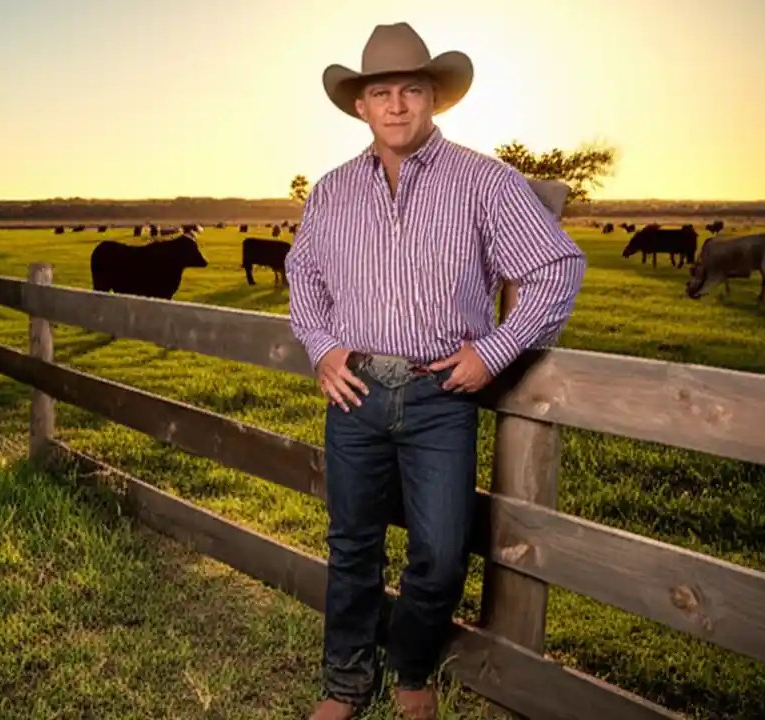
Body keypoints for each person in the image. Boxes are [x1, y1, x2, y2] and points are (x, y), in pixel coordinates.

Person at [285, 21, 587, 720]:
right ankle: (344, 685)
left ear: (434, 100)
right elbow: (302, 277)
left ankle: (412, 668)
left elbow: (557, 267)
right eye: (381, 92)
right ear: (360, 105)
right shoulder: (331, 192)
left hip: (439, 392)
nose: (396, 106)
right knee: (353, 546)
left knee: (444, 551)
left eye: (411, 90)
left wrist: (495, 350)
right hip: (355, 391)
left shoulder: (483, 181)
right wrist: (324, 349)